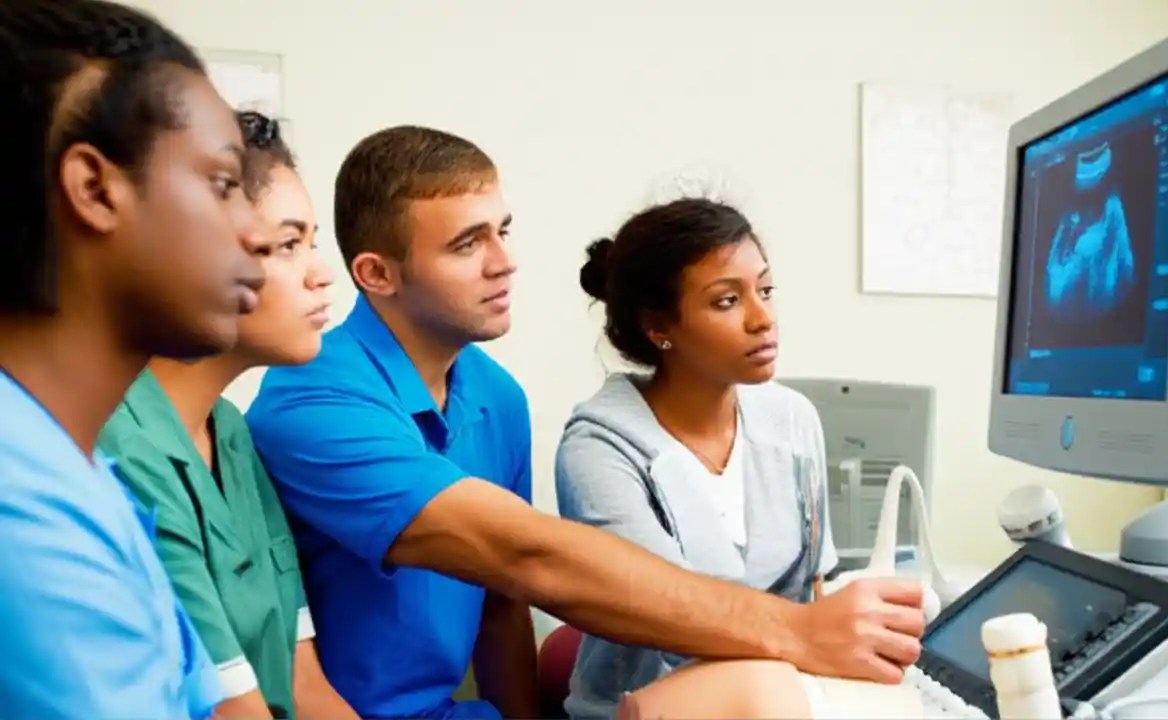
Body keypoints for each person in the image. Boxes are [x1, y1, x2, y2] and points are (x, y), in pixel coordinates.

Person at [245, 125, 926, 720]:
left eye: (503, 231)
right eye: (466, 244)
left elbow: (503, 604)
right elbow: (524, 557)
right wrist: (801, 633)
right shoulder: (313, 401)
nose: (505, 261)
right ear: (377, 274)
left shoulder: (494, 395)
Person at [0, 1, 268, 716]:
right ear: (95, 188)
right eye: (222, 183)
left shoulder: (81, 472)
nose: (253, 230)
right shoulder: (22, 513)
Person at [98, 111, 359, 720]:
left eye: (312, 244)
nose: (322, 274)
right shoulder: (115, 444)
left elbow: (303, 685)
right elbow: (232, 710)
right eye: (289, 244)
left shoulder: (232, 431)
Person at [554, 197, 850, 717]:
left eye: (765, 290)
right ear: (658, 328)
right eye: (726, 301)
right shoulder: (599, 450)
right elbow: (674, 622)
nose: (763, 319)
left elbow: (814, 592)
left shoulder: (792, 418)